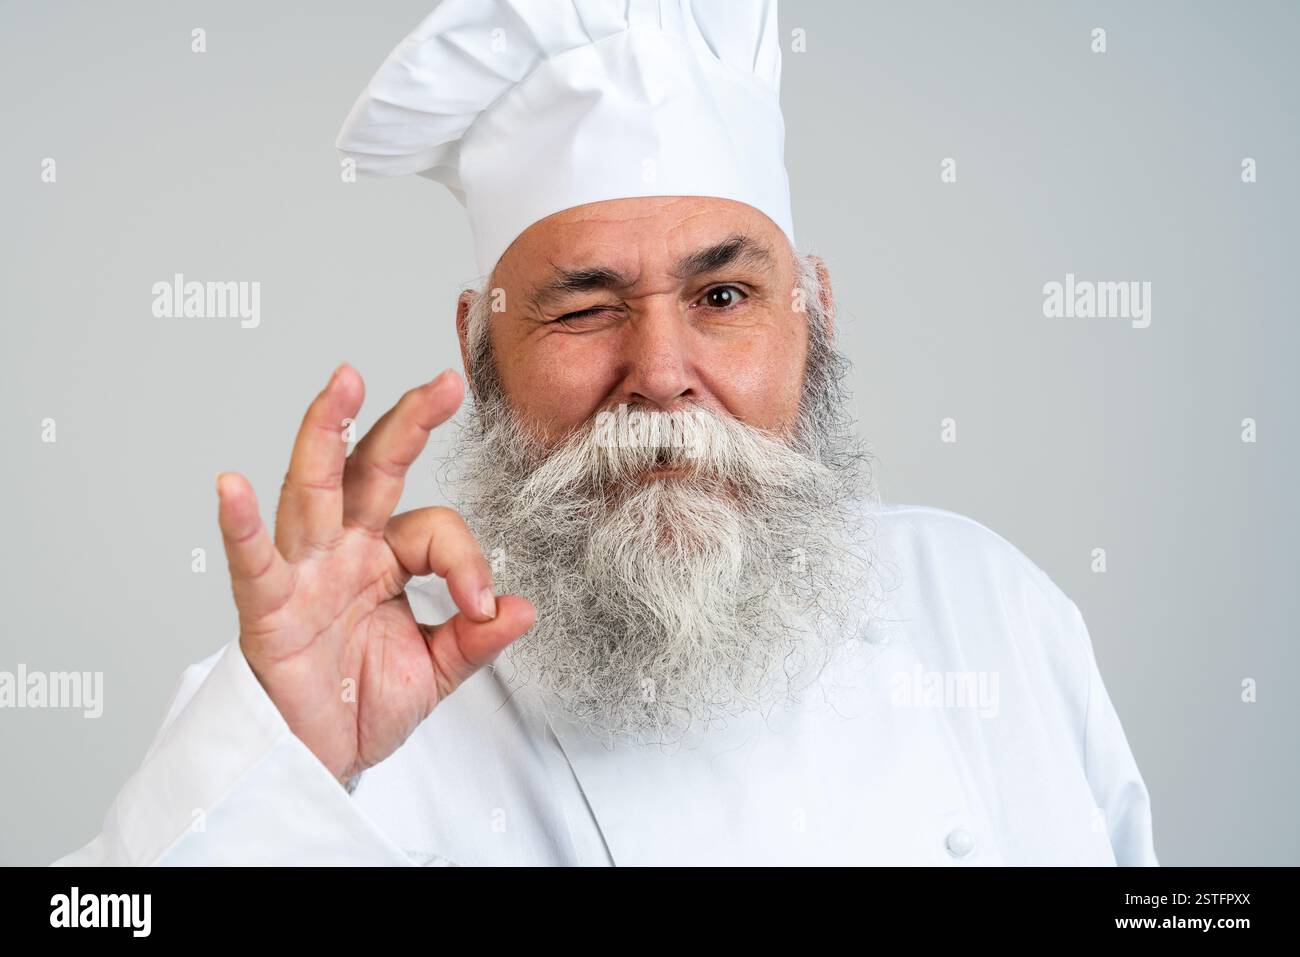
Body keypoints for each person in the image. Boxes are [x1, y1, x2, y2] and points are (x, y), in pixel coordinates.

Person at [55, 0, 1157, 866]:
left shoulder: (990, 609)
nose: (662, 376)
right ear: (480, 350)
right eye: (584, 308)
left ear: (812, 313)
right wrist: (276, 765)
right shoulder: (333, 689)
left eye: (722, 297)